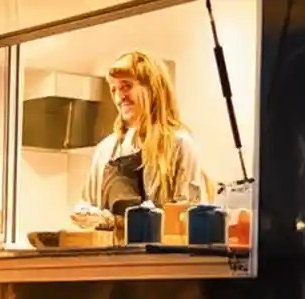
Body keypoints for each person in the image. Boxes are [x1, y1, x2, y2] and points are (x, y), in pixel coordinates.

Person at [72, 50, 206, 242]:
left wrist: (117, 222)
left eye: (126, 87)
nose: (120, 97)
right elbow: (88, 207)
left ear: (152, 89)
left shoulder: (180, 145)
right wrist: (90, 216)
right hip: (112, 262)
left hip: (160, 265)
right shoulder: (105, 150)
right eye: (114, 89)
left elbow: (185, 221)